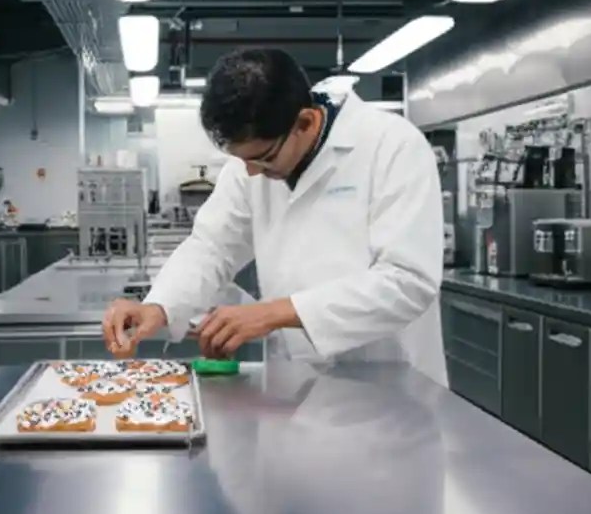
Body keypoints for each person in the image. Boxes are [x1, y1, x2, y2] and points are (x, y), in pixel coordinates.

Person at [101, 48, 447, 385]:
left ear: (305, 122)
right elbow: (212, 247)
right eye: (243, 160)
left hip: (390, 384)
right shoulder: (251, 164)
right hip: (297, 385)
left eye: (263, 158)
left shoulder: (392, 146)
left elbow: (408, 281)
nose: (251, 173)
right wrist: (159, 306)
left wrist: (277, 312)